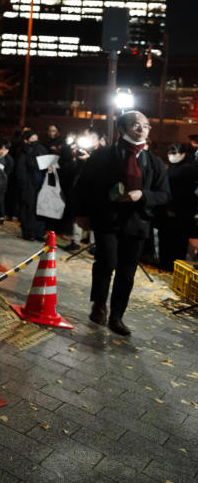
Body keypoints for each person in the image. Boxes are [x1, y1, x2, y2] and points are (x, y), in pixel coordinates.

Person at [73, 111, 170, 336]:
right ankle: (99, 305)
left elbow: (164, 194)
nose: (142, 129)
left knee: (127, 271)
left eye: (145, 125)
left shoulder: (153, 161)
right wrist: (81, 213)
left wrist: (143, 195)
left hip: (137, 222)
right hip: (107, 218)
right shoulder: (103, 155)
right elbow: (83, 185)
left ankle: (117, 316)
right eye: (136, 125)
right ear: (122, 128)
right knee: (106, 262)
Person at [154, 143, 198, 270]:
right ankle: (167, 265)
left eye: (174, 153)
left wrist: (173, 208)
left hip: (180, 212)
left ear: (183, 154)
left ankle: (171, 266)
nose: (171, 156)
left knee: (177, 242)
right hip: (169, 212)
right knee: (167, 241)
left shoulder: (188, 170)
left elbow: (184, 192)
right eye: (169, 153)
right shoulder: (174, 168)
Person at [14, 129, 47, 241]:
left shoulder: (40, 149)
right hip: (28, 185)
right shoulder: (23, 151)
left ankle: (38, 233)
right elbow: (20, 170)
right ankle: (29, 232)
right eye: (32, 139)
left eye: (36, 139)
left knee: (38, 208)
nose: (35, 142)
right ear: (26, 140)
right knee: (28, 208)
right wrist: (23, 185)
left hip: (39, 183)